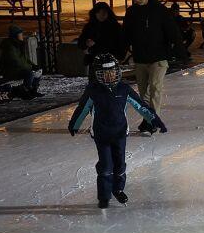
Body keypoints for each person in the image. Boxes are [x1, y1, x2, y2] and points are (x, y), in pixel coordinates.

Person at [68, 52, 166, 209]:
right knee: (106, 165)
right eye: (105, 73)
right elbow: (83, 108)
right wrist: (74, 124)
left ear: (117, 72)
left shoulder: (124, 89)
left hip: (120, 133)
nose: (109, 76)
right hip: (101, 134)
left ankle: (118, 189)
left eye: (112, 72)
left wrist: (155, 120)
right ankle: (104, 196)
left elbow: (141, 106)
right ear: (98, 75)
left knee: (120, 164)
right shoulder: (93, 90)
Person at [122, 0, 182, 131]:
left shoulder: (160, 11)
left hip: (159, 58)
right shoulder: (131, 12)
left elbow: (172, 31)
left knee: (155, 88)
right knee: (143, 93)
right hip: (141, 57)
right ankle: (148, 119)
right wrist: (123, 50)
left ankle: (152, 120)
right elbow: (126, 33)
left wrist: (177, 50)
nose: (137, 0)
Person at [0, 24, 42, 100]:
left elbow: (26, 59)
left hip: (19, 69)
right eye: (20, 34)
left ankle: (33, 90)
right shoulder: (10, 47)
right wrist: (29, 67)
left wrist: (34, 65)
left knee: (38, 71)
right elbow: (15, 61)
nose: (22, 36)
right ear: (15, 35)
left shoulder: (19, 45)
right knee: (30, 73)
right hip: (11, 70)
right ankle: (24, 91)